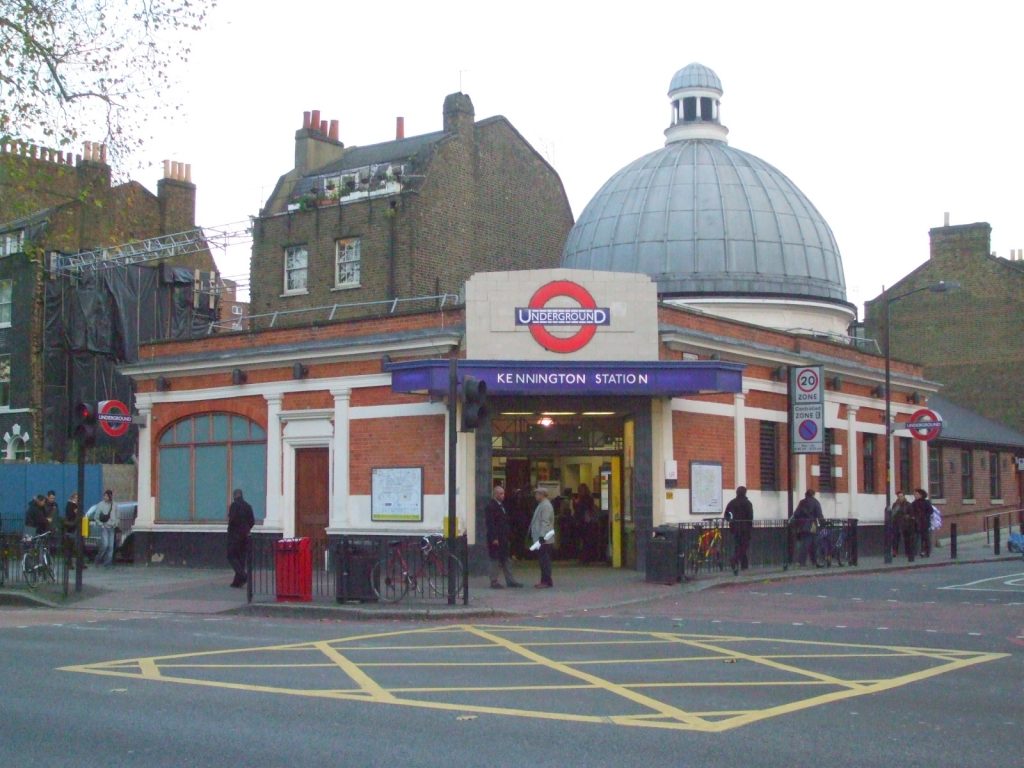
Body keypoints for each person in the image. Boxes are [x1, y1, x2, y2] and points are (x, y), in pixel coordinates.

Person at [484, 485, 523, 589]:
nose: (503, 495)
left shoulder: (502, 506)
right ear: (495, 494)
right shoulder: (491, 506)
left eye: (503, 493)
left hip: (504, 537)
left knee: (506, 559)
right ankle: (494, 581)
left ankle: (510, 580)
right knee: (495, 560)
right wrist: (494, 538)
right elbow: (490, 524)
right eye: (501, 494)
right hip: (496, 538)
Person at [227, 488, 255, 588]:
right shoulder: (248, 506)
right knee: (241, 558)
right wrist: (246, 529)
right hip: (246, 535)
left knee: (231, 556)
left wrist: (231, 531)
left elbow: (232, 520)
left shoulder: (234, 506)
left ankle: (242, 576)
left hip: (235, 535)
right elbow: (252, 521)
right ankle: (237, 582)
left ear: (235, 496)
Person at [724, 485, 753, 575]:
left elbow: (726, 514)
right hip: (745, 529)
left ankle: (744, 565)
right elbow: (750, 517)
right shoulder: (747, 503)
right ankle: (735, 559)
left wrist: (731, 521)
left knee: (738, 546)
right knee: (744, 547)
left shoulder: (732, 503)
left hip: (735, 528)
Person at [791, 489, 825, 567]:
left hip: (802, 525)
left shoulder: (802, 502)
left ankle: (802, 561)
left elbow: (796, 513)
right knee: (813, 543)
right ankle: (813, 560)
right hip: (812, 525)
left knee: (804, 543)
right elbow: (819, 515)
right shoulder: (816, 502)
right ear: (813, 494)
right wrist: (823, 523)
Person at [530, 486, 554, 588]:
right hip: (543, 538)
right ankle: (545, 580)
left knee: (544, 560)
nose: (535, 495)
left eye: (537, 494)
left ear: (542, 494)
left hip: (544, 539)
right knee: (543, 559)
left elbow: (545, 522)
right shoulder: (542, 504)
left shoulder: (545, 506)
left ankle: (546, 581)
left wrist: (541, 536)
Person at [90, 489, 116, 567]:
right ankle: (98, 558)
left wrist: (116, 523)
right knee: (105, 545)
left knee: (111, 546)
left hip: (112, 527)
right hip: (104, 526)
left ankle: (108, 563)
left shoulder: (114, 505)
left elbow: (117, 515)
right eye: (104, 496)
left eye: (107, 496)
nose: (105, 497)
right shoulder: (100, 505)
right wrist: (101, 524)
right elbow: (96, 517)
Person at [574, 483, 596, 563]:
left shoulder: (582, 499)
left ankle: (585, 558)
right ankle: (586, 557)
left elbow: (579, 510)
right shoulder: (589, 498)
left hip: (583, 522)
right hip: (586, 522)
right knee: (586, 540)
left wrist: (576, 503)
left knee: (584, 540)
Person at [891, 491, 916, 561]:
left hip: (906, 524)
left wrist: (908, 517)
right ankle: (895, 551)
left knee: (907, 538)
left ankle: (907, 552)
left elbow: (912, 514)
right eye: (899, 496)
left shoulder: (908, 505)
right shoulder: (895, 505)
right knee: (895, 538)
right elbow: (893, 514)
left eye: (901, 496)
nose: (900, 498)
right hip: (896, 523)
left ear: (904, 496)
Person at [911, 488, 932, 558]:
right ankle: (915, 551)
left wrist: (924, 517)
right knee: (916, 538)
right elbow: (911, 512)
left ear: (921, 495)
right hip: (916, 523)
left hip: (924, 523)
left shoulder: (926, 502)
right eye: (914, 494)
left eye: (916, 494)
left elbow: (930, 511)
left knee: (925, 538)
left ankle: (926, 551)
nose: (915, 496)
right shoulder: (913, 503)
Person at [63, 491, 80, 558]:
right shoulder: (71, 505)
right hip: (72, 527)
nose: (77, 499)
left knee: (71, 545)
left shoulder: (73, 505)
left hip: (72, 527)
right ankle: (70, 562)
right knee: (71, 545)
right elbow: (71, 515)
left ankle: (70, 562)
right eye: (76, 498)